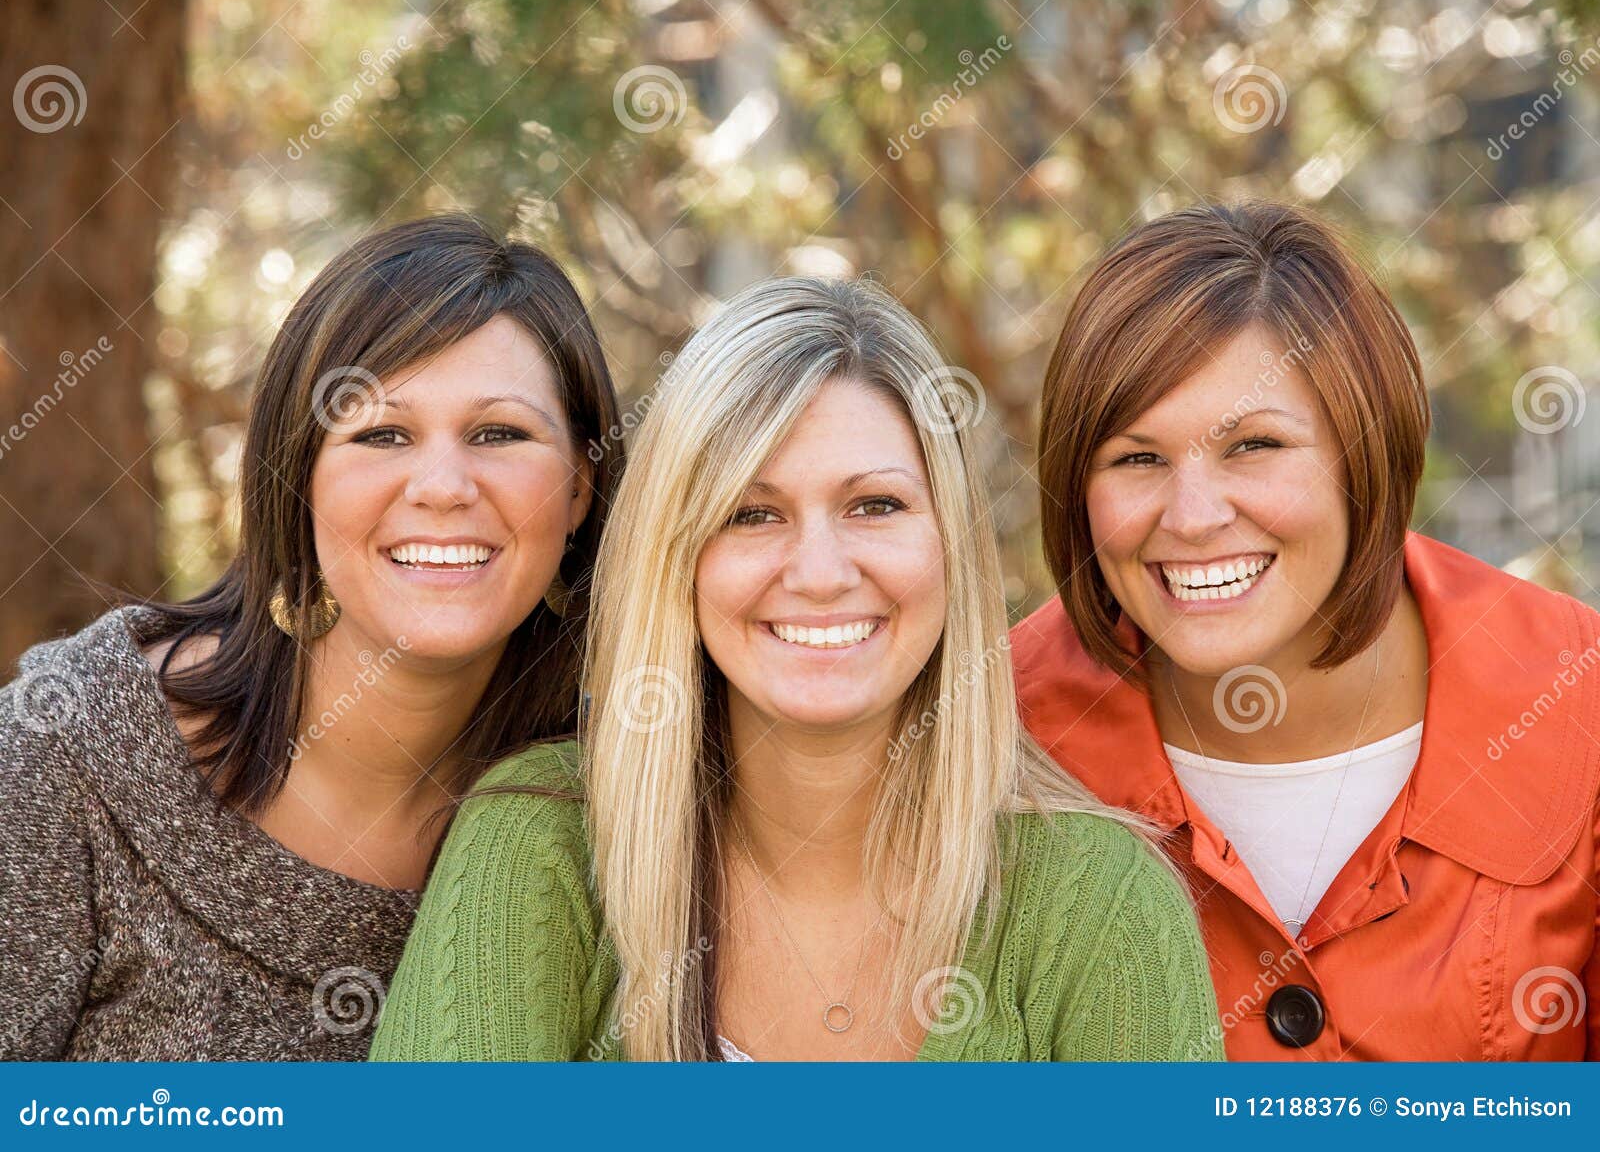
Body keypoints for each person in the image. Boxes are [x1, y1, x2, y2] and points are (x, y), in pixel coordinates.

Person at [370, 276, 1223, 1061]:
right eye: (752, 513)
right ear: (681, 557)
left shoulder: (1103, 907)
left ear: (950, 542)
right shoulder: (536, 848)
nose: (819, 572)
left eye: (875, 505)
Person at [0, 214, 621, 1059]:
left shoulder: (612, 816)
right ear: (298, 480)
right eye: (381, 434)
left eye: (499, 434)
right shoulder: (66, 750)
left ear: (582, 484)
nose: (442, 485)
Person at [1012, 199, 1600, 1059]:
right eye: (1137, 458)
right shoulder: (991, 738)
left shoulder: (1576, 703)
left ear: (1362, 451)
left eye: (1253, 445)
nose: (1195, 515)